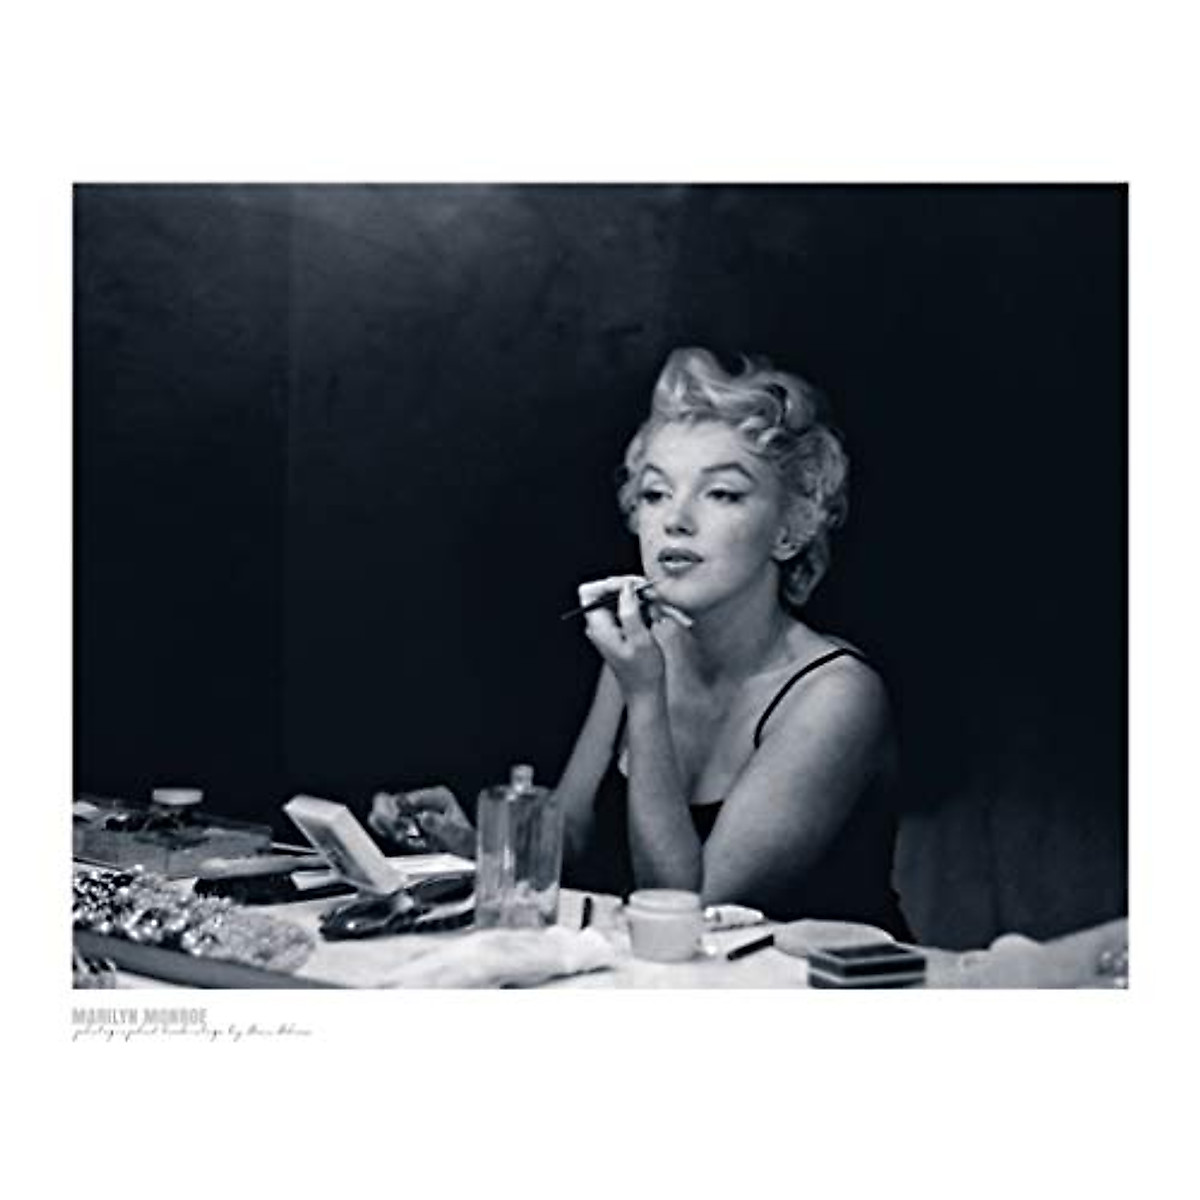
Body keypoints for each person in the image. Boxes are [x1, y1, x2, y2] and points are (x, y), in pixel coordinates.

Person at [372, 347, 908, 935]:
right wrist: (473, 844)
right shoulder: (644, 652)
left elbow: (688, 910)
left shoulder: (838, 696)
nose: (676, 519)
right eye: (655, 493)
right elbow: (574, 836)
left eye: (721, 493)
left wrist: (646, 698)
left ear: (791, 529)